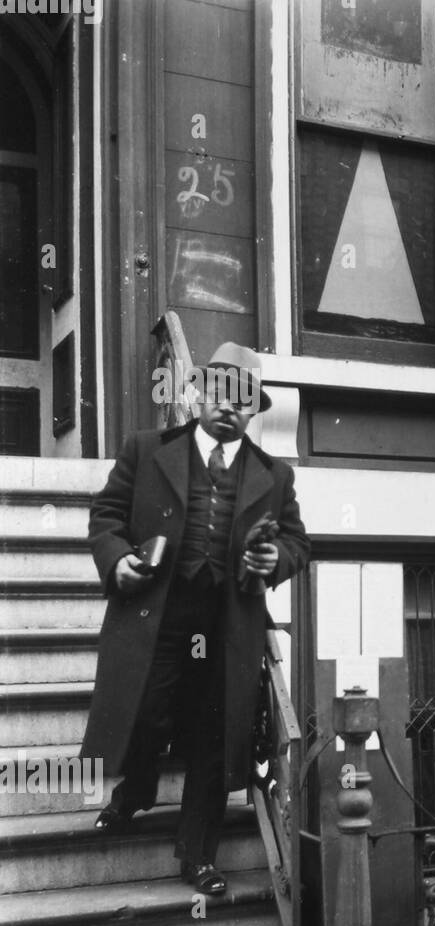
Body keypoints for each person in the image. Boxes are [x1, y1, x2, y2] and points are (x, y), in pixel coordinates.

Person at [79, 343, 311, 896]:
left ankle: (197, 853)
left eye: (244, 399)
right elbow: (106, 516)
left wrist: (274, 559)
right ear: (196, 395)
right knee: (145, 711)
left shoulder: (274, 476)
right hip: (156, 614)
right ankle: (133, 792)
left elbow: (298, 542)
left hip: (227, 623)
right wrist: (118, 561)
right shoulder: (146, 450)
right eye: (220, 394)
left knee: (213, 735)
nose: (230, 407)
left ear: (254, 410)